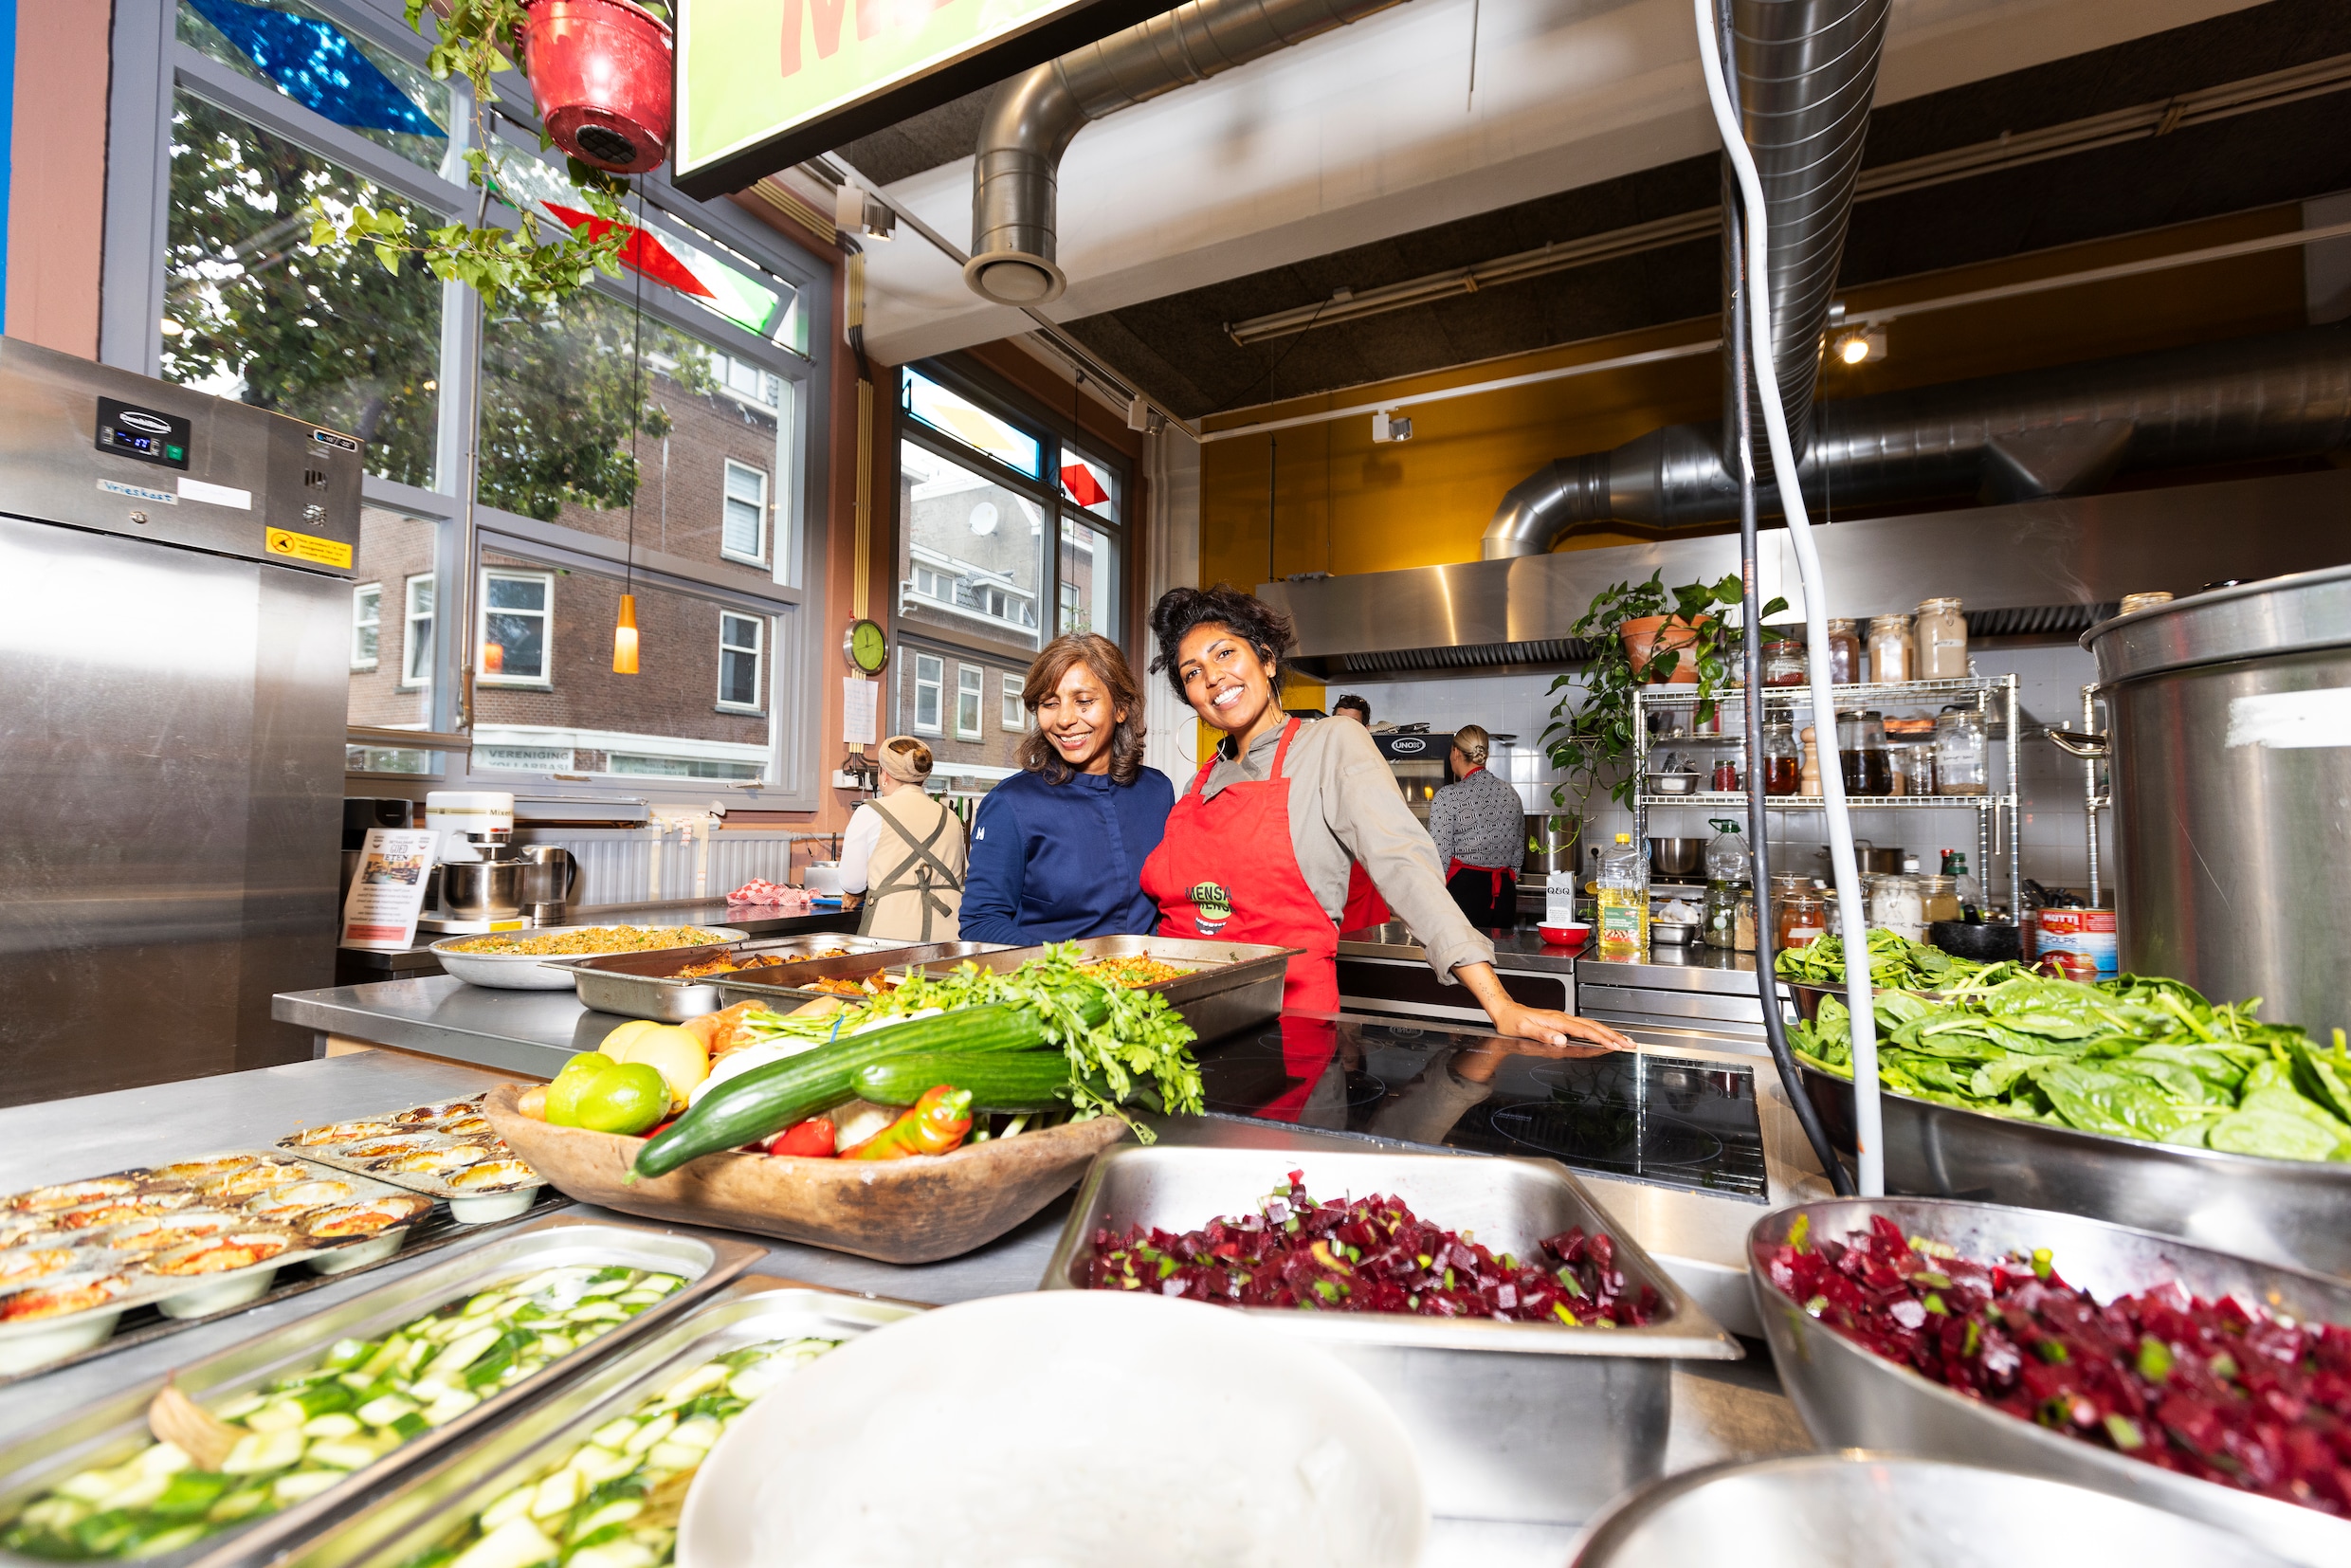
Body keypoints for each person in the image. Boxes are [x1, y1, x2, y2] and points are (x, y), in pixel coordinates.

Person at [1139, 585, 1628, 1120]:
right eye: (1191, 672)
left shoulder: (1331, 744)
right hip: (1178, 1035)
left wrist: (1500, 1003)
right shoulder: (1197, 784)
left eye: (1225, 652)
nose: (1211, 678)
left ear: (1267, 657)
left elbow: (1404, 864)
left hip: (1286, 1037)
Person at [961, 634, 1174, 944]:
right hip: (1052, 985)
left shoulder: (1156, 791)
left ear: (1121, 708)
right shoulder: (1011, 803)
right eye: (1050, 703)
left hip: (1147, 982)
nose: (1064, 719)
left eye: (1084, 701)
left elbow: (1165, 905)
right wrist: (1068, 974)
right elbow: (981, 922)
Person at [838, 735, 965, 941]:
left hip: (891, 933)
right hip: (950, 932)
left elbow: (852, 883)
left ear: (884, 774)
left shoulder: (870, 812)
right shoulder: (950, 817)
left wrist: (861, 892)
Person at [1428, 723, 1524, 928]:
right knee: (1499, 957)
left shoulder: (1448, 796)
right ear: (1485, 754)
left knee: (1464, 958)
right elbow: (1517, 856)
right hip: (1503, 896)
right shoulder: (1511, 793)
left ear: (1455, 752)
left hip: (1462, 896)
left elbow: (1438, 860)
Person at [1327, 693, 1391, 933]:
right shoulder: (1315, 763)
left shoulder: (1376, 768)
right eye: (1338, 724)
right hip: (1328, 879)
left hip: (1363, 880)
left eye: (1351, 726)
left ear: (1365, 730)